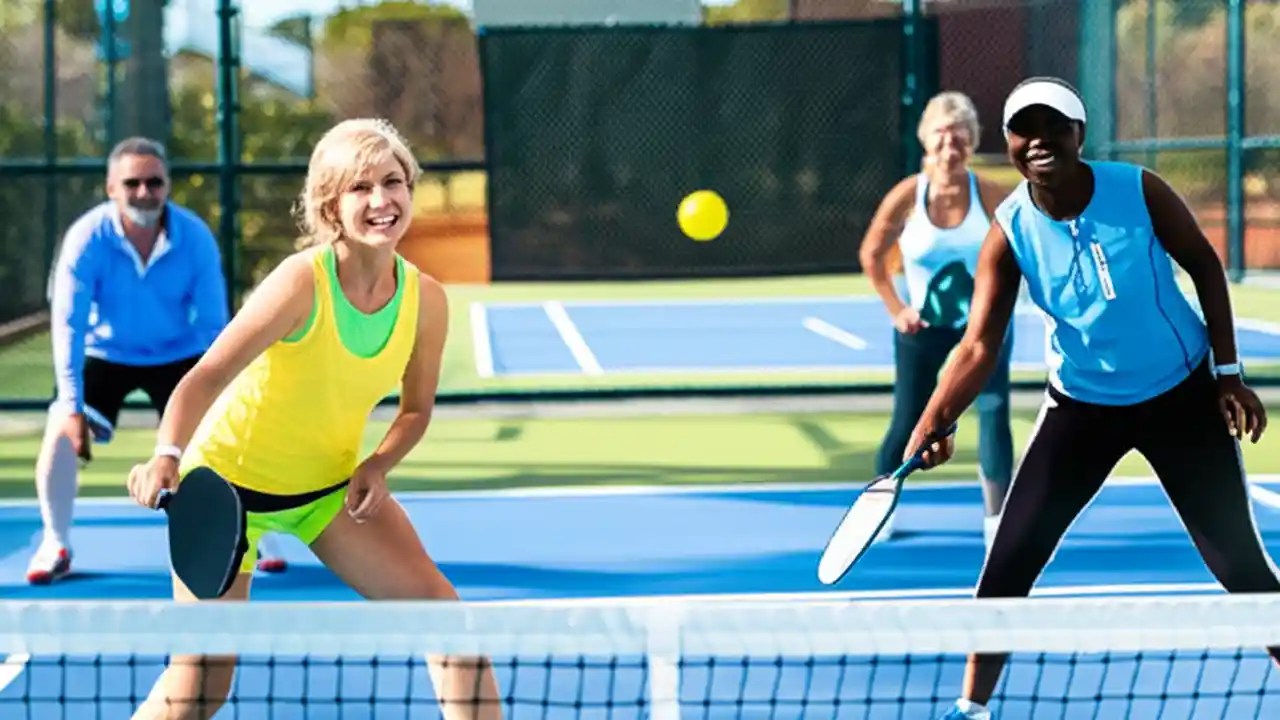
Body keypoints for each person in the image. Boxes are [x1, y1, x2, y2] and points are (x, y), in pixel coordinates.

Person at [906, 77, 1277, 720]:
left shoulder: (1139, 190)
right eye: (1025, 129)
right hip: (1081, 407)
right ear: (1010, 143)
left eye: (1055, 126)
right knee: (1007, 568)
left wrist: (1228, 374)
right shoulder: (1010, 228)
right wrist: (933, 420)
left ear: (1079, 135)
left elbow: (1204, 265)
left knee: (1239, 566)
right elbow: (976, 347)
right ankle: (970, 709)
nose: (1039, 140)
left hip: (1179, 397)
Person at [125, 118, 502, 720]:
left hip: (329, 492)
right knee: (199, 688)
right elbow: (206, 376)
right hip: (225, 493)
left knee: (453, 630)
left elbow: (416, 409)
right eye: (360, 188)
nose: (381, 201)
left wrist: (379, 464)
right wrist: (167, 455)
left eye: (393, 182)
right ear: (331, 204)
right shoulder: (301, 282)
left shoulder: (426, 300)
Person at [858, 91, 1014, 548]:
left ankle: (996, 520)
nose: (950, 147)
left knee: (993, 411)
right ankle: (880, 509)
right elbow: (871, 253)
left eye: (960, 137)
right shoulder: (909, 194)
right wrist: (897, 308)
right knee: (910, 417)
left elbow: (1025, 245)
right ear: (927, 141)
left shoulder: (989, 193)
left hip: (982, 331)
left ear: (972, 142)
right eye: (942, 136)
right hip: (921, 330)